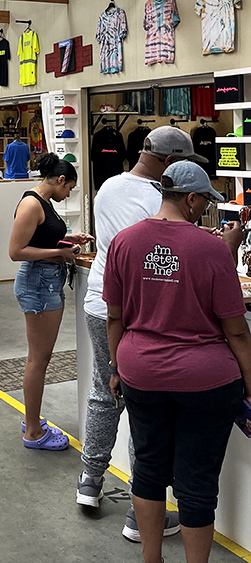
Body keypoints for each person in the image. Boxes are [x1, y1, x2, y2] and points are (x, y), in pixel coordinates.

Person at [104, 161, 251, 563]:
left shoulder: (124, 242)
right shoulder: (212, 250)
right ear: (190, 199)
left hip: (142, 374)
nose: (205, 209)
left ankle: (152, 559)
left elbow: (115, 317)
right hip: (206, 381)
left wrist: (117, 368)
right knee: (197, 481)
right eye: (204, 201)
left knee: (149, 470)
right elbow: (236, 330)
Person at [77, 127, 206, 538]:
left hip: (99, 300)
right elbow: (172, 254)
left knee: (104, 390)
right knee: (142, 408)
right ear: (170, 163)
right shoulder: (158, 199)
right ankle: (140, 513)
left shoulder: (108, 187)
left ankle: (89, 481)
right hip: (134, 307)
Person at [9, 153, 92, 449]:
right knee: (38, 359)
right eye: (68, 188)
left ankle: (32, 420)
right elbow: (16, 251)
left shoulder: (44, 204)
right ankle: (32, 431)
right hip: (38, 283)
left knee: (40, 358)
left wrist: (68, 241)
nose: (67, 193)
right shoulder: (32, 203)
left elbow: (41, 239)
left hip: (46, 281)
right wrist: (59, 254)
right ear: (59, 180)